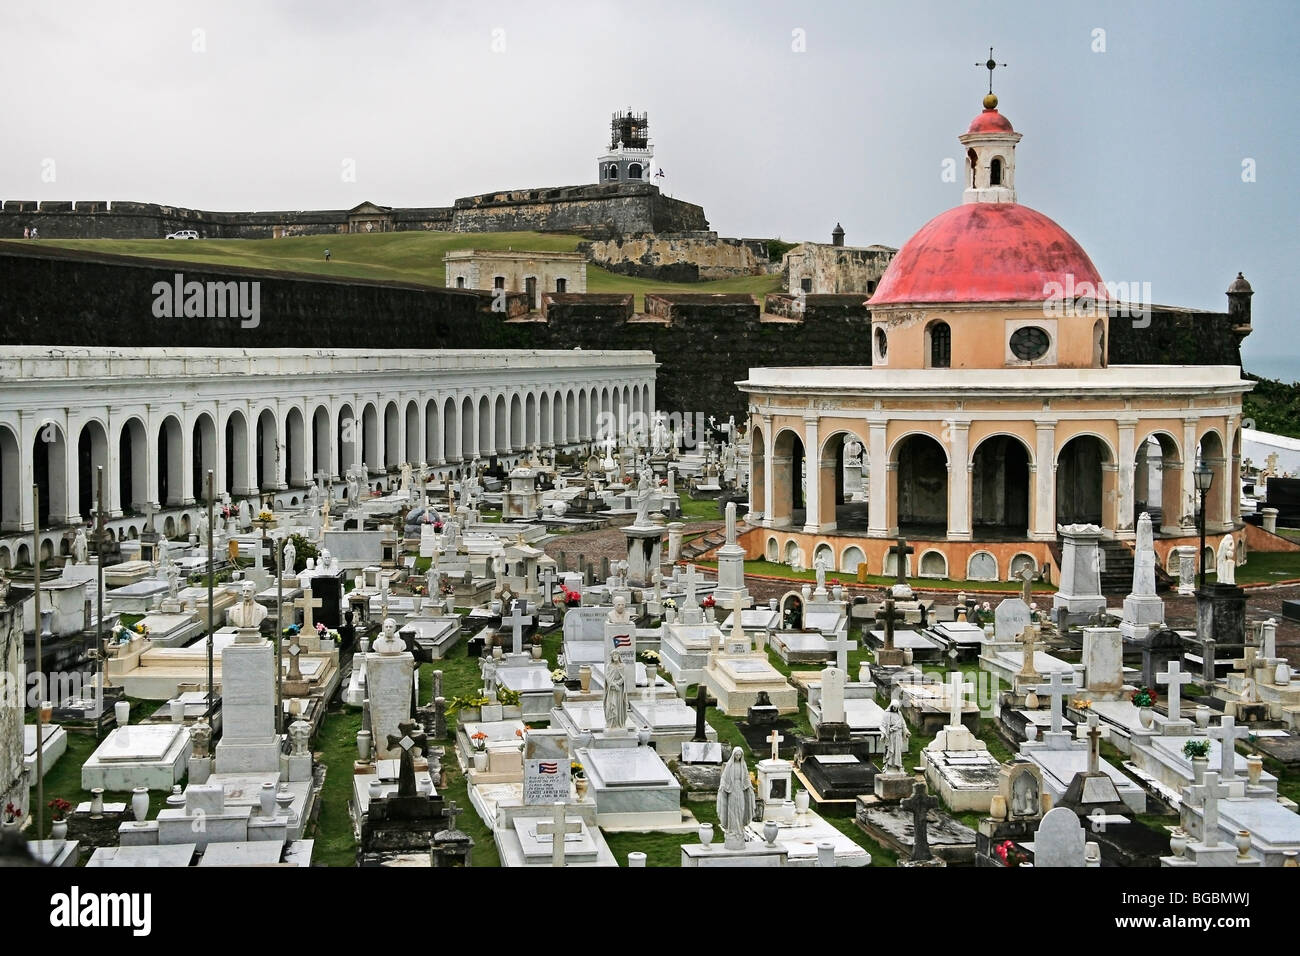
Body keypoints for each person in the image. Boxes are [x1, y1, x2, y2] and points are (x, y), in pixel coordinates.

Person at [715, 747, 755, 848]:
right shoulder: (730, 765)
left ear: (742, 756)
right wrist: (723, 785)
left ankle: (739, 830)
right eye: (736, 755)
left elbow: (746, 777)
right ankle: (732, 830)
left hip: (740, 789)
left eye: (739, 755)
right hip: (732, 790)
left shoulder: (743, 765)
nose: (738, 757)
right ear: (733, 755)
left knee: (740, 809)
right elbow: (724, 777)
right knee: (732, 810)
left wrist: (749, 786)